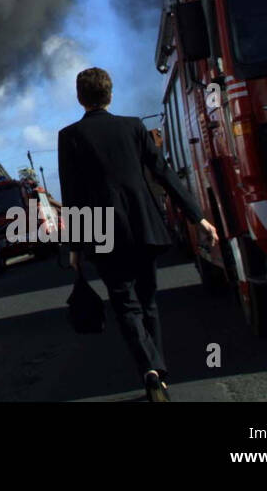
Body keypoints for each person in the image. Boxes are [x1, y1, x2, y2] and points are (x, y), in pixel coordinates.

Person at [58, 67, 219, 402]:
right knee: (148, 302)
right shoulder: (133, 126)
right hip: (144, 226)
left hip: (102, 231)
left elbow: (71, 194)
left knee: (125, 304)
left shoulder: (69, 136)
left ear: (79, 98)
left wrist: (75, 247)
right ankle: (158, 373)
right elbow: (163, 173)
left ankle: (149, 368)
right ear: (110, 94)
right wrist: (197, 217)